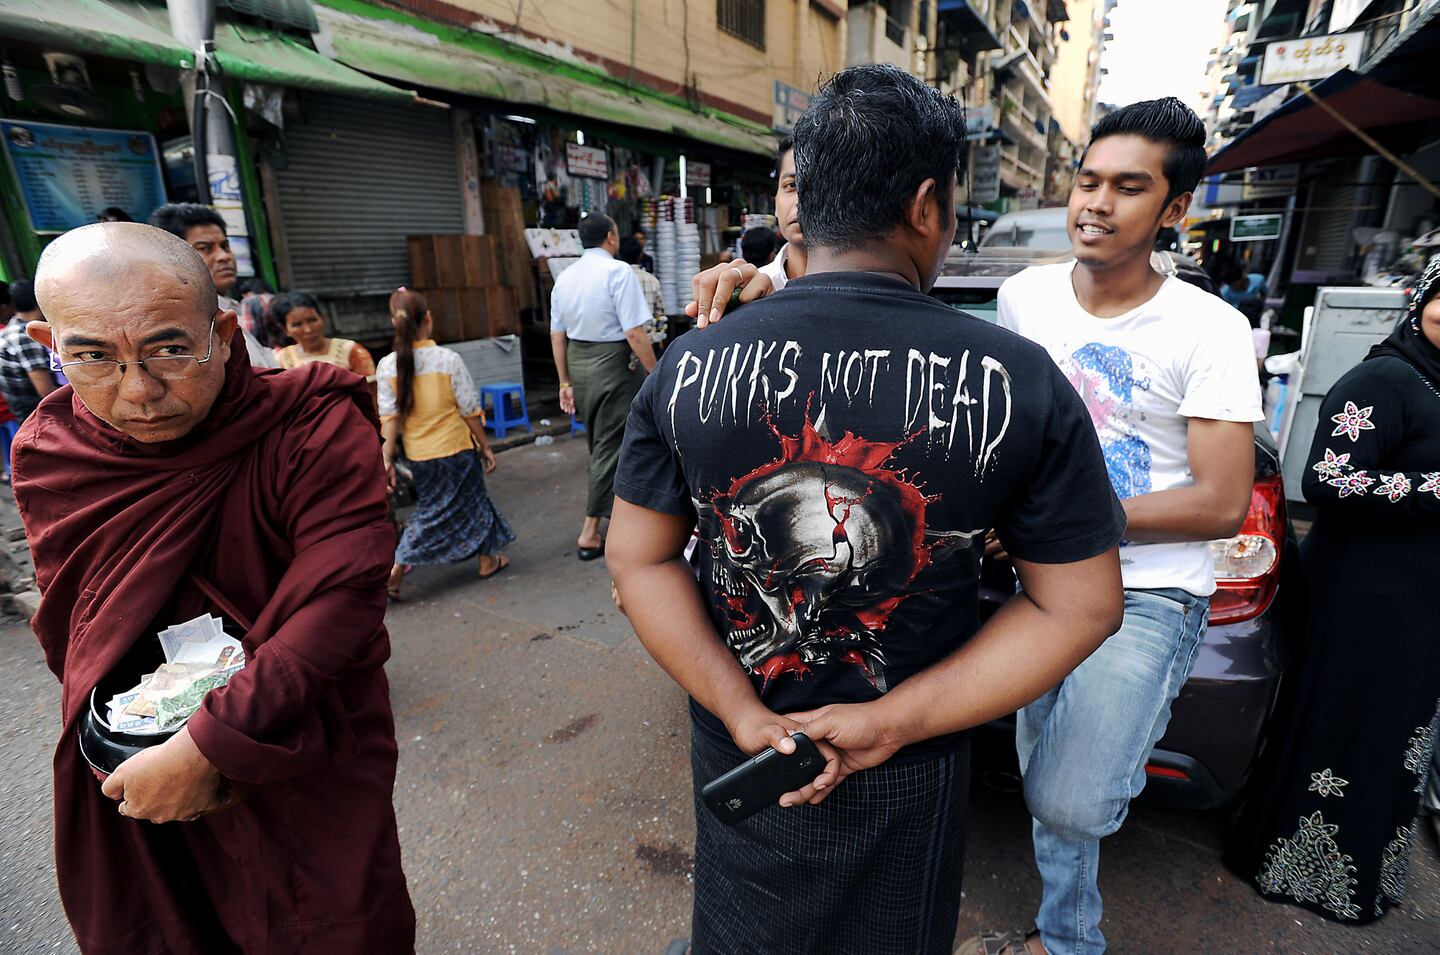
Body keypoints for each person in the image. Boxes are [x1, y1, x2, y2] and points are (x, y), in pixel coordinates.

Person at [608, 64, 1127, 955]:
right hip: (912, 759)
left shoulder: (685, 368)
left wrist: (744, 714)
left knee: (741, 934)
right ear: (927, 205)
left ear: (804, 197)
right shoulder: (1024, 381)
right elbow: (1082, 604)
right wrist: (890, 721)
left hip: (744, 748)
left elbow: (637, 561)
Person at [13, 222, 414, 952]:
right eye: (92, 357)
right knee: (173, 922)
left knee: (330, 922)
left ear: (223, 333)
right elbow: (80, 622)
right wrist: (149, 741)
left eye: (170, 347)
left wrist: (209, 746)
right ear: (49, 346)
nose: (138, 391)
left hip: (301, 744)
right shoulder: (50, 449)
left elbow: (343, 595)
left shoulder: (309, 424)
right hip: (137, 749)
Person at [977, 98, 1262, 955]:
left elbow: (1219, 501)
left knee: (1070, 796)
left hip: (1152, 593)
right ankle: (1069, 941)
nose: (1095, 202)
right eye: (1087, 179)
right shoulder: (1022, 298)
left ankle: (1110, 756)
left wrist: (1072, 519)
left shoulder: (1211, 329)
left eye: (1128, 187)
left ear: (1174, 209)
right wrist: (774, 273)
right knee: (1042, 782)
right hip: (1040, 585)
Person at [1223, 252, 1440, 925]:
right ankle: (1294, 866)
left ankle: (1363, 873)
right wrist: (1428, 489)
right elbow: (1328, 478)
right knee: (1341, 722)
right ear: (1424, 299)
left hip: (1421, 601)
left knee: (1392, 733)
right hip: (1363, 599)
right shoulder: (1385, 378)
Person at [378, 288, 513, 599]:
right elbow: (468, 409)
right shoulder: (447, 359)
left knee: (461, 504)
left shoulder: (387, 365)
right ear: (428, 319)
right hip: (456, 448)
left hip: (420, 454)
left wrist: (387, 458)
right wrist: (486, 446)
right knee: (444, 509)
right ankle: (399, 564)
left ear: (393, 323)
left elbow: (389, 418)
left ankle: (487, 559)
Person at [549, 213, 656, 561]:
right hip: (612, 365)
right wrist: (656, 373)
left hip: (579, 364)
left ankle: (617, 515)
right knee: (609, 447)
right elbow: (635, 333)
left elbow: (557, 334)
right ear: (611, 236)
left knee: (601, 442)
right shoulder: (618, 272)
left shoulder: (564, 276)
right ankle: (590, 530)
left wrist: (564, 380)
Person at [684, 139, 807, 328]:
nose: (801, 200)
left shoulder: (865, 293)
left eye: (817, 187)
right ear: (775, 202)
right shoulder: (743, 292)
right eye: (791, 185)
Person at [148, 203, 279, 370]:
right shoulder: (184, 322)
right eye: (205, 248)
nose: (223, 256)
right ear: (170, 258)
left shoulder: (232, 308)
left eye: (225, 246)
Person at [273, 292, 376, 380]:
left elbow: (371, 393)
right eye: (297, 324)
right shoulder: (282, 359)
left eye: (312, 320)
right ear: (285, 329)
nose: (308, 330)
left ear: (322, 318)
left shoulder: (350, 350)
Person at [0, 279, 58, 423]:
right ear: (40, 303)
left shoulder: (12, 328)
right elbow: (46, 391)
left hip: (24, 414)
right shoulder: (26, 336)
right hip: (40, 417)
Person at [619, 236, 665, 323]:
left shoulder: (615, 279)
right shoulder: (652, 280)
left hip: (622, 335)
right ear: (640, 255)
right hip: (648, 334)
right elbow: (660, 314)